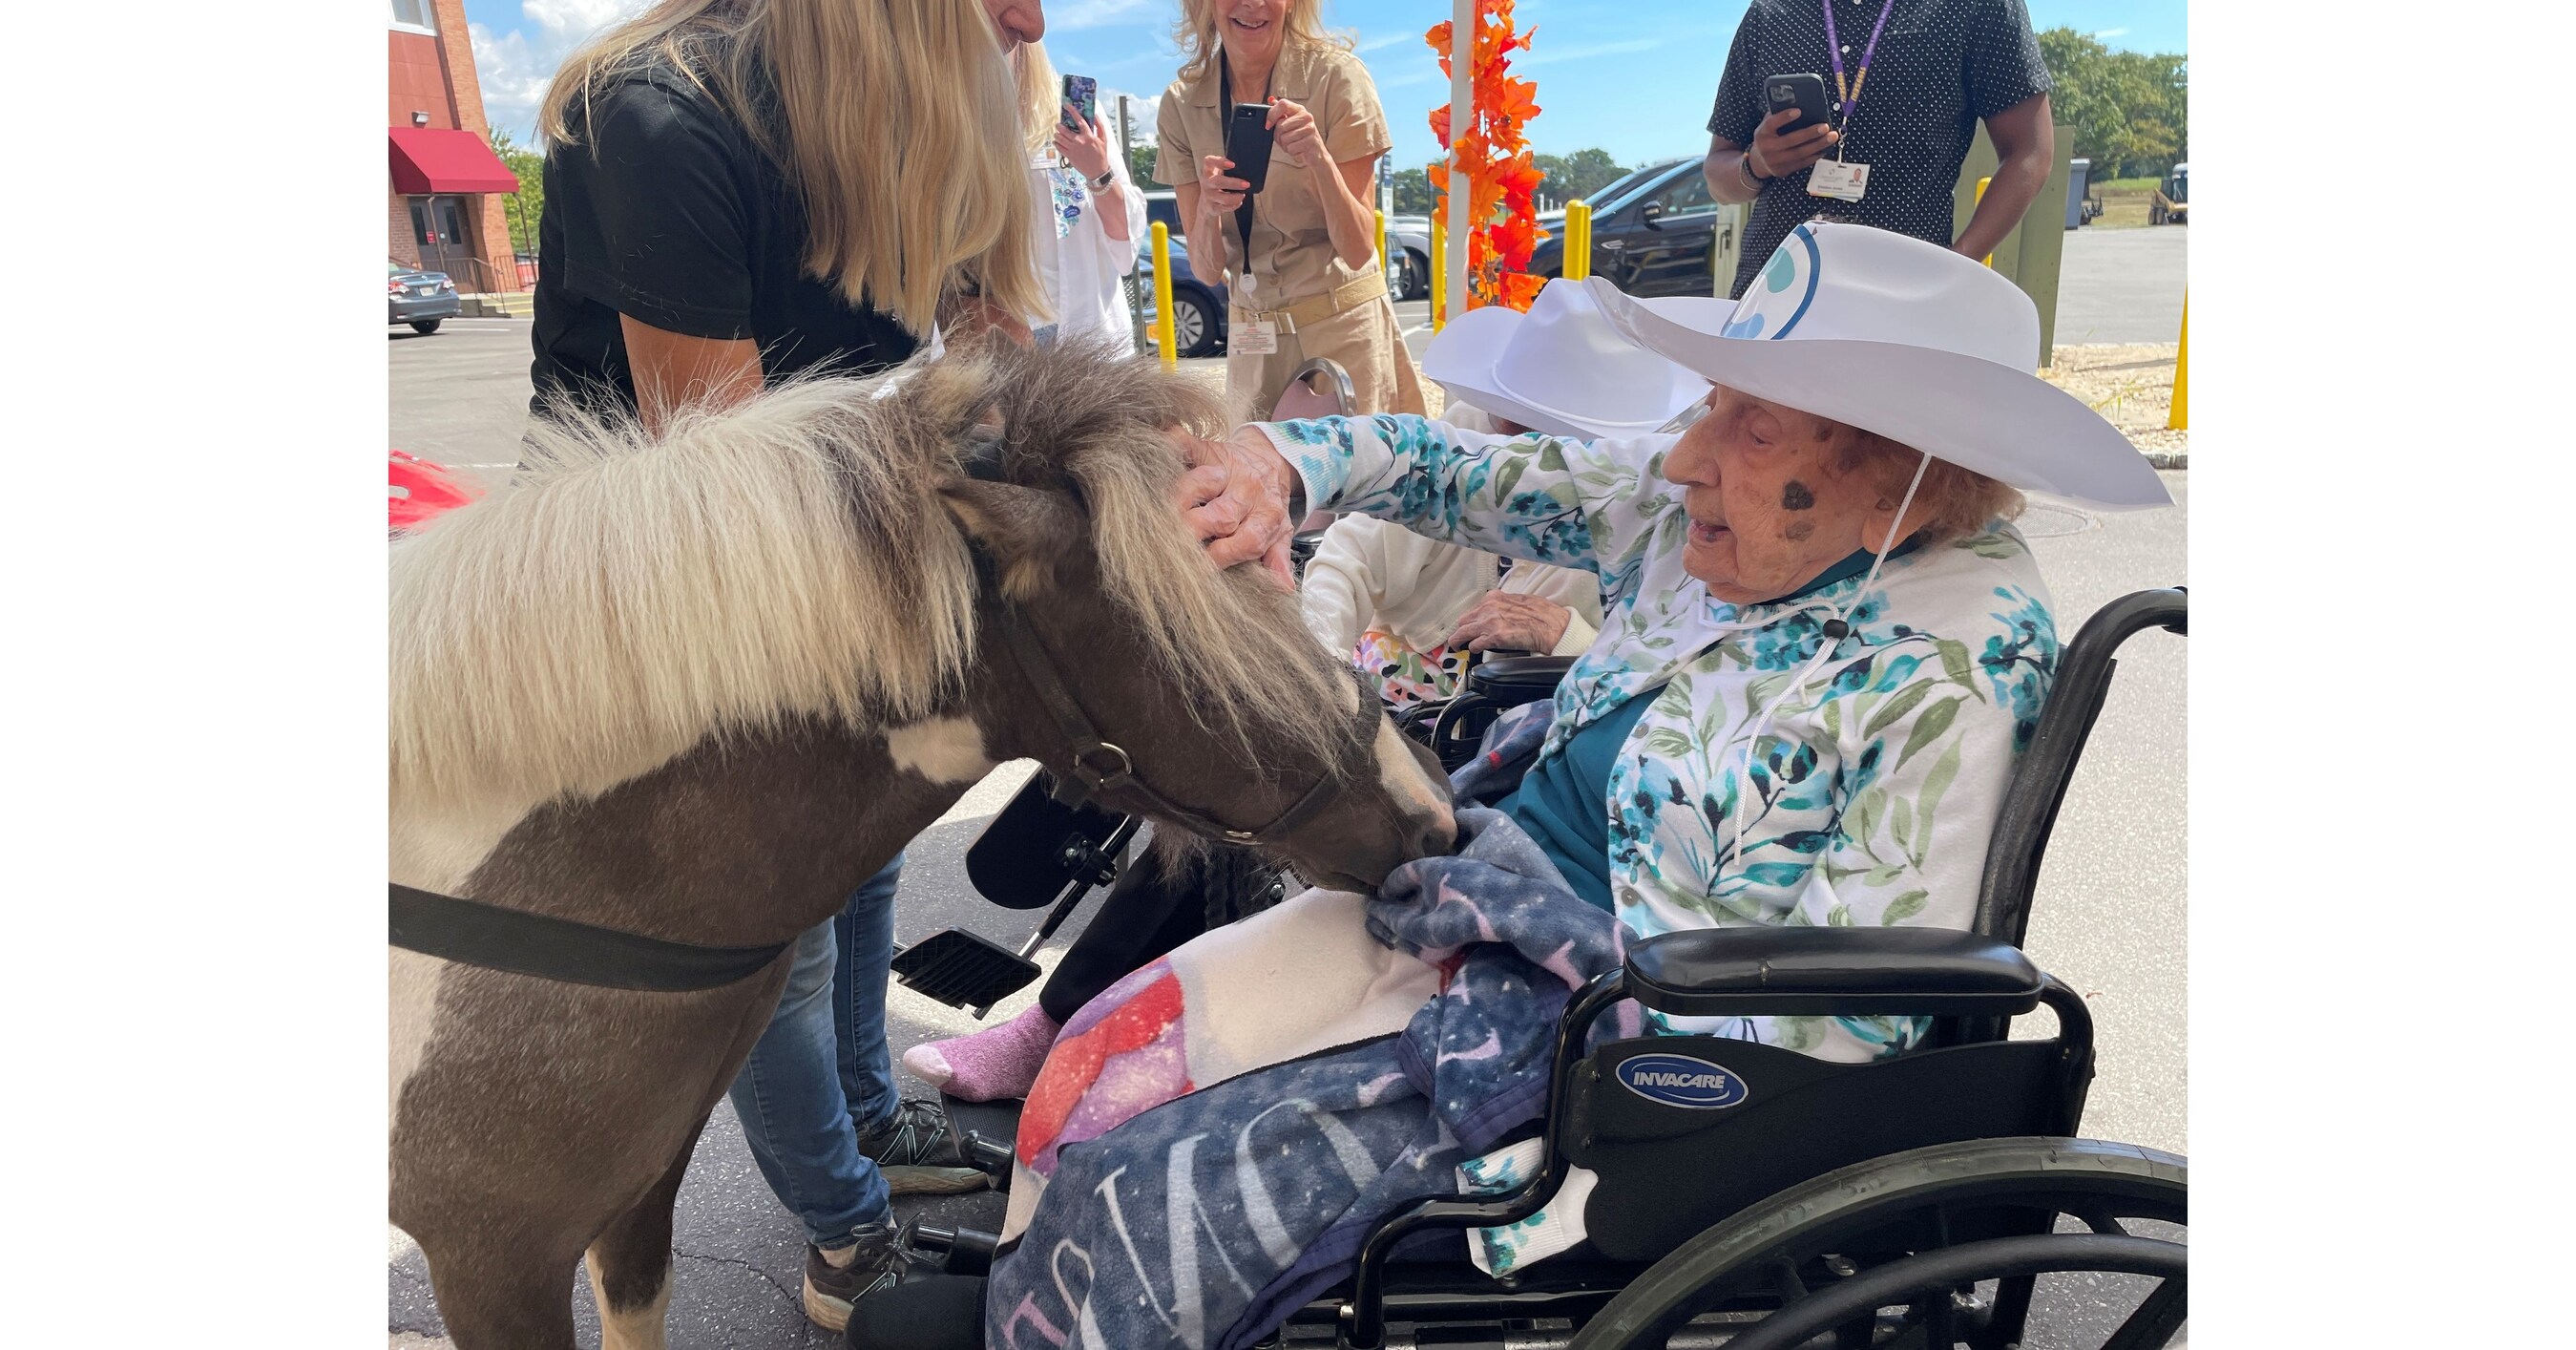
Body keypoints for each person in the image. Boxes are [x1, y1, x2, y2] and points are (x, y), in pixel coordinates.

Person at [849, 223, 2173, 1346]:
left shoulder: (1949, 659)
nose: (1682, 455)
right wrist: (1275, 463)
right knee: (1098, 1055)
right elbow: (1452, 469)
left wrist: (1569, 1026)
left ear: (1894, 467)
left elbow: (1848, 1019)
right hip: (1480, 899)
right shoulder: (1713, 518)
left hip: (1624, 1032)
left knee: (1151, 1187)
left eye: (1742, 415)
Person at [525, 0, 1049, 1332]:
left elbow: (1003, 363)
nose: (1032, 20)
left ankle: (870, 1119)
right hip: (674, 550)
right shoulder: (658, 117)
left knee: (868, 852)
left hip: (831, 515)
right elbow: (729, 485)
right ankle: (842, 1229)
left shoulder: (900, 127)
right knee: (782, 932)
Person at [1301, 279, 1722, 707]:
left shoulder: (1672, 508)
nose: (1503, 439)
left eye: (1533, 431)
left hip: (1523, 723)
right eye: (1503, 412)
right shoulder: (1474, 428)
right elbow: (1347, 559)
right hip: (1374, 695)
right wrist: (1323, 677)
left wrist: (1566, 635)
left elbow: (1659, 677)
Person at [1159, 0, 1425, 417]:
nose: (1252, 5)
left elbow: (1358, 250)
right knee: (1256, 477)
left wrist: (1318, 158)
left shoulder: (1337, 77)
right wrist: (1209, 211)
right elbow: (1208, 270)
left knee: (1363, 477)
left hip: (1342, 327)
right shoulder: (1180, 104)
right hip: (1253, 337)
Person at [1699, 0, 2054, 299]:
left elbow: (2031, 151)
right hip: (1769, 300)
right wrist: (1756, 164)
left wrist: (1955, 268)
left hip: (1902, 301)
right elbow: (1718, 173)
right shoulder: (1771, 14)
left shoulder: (1974, 7)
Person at [1014, 41, 1147, 348]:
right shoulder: (960, 120)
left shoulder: (1072, 115)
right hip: (1007, 339)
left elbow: (1126, 244)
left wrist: (1097, 172)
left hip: (1090, 334)